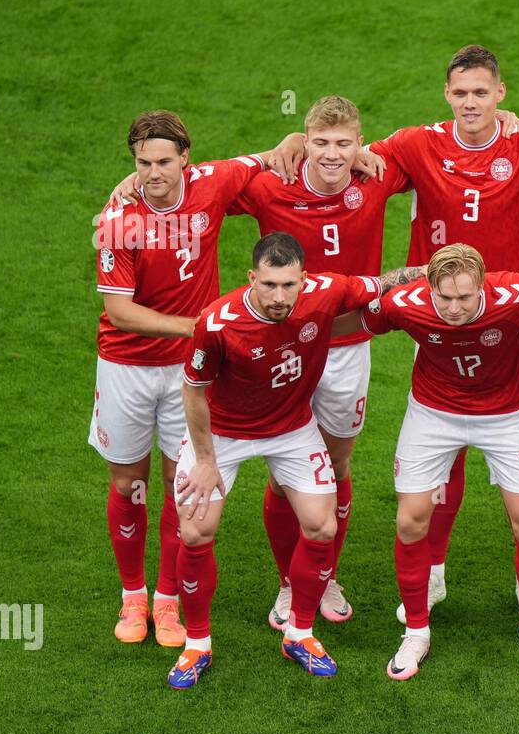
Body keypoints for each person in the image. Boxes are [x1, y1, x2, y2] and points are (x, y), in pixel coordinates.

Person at [271, 46, 519, 619]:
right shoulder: (415, 144)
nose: (470, 103)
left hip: (514, 317)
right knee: (444, 440)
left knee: (518, 439)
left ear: (500, 94)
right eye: (461, 93)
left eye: (481, 93)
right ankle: (433, 571)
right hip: (438, 313)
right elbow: (344, 155)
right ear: (446, 94)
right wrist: (292, 142)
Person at [168, 232, 418, 689]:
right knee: (195, 530)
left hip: (291, 428)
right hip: (224, 434)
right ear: (251, 278)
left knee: (322, 527)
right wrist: (205, 459)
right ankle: (196, 644)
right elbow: (194, 390)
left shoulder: (326, 291)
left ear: (304, 278)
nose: (279, 297)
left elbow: (383, 284)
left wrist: (431, 270)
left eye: (288, 285)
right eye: (269, 285)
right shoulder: (218, 323)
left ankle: (299, 633)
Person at [356, 244, 519, 681]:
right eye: (445, 298)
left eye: (465, 297)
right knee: (410, 522)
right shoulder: (408, 304)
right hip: (433, 414)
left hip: (505, 416)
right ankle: (416, 631)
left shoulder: (514, 294)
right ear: (430, 288)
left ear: (483, 286)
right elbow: (359, 316)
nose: (455, 307)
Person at [92, 110, 269, 648]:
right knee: (128, 481)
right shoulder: (117, 218)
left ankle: (167, 600)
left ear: (185, 159)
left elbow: (272, 157)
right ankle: (132, 593)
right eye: (143, 163)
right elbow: (120, 312)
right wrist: (196, 325)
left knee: (180, 482)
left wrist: (290, 138)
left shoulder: (212, 182)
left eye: (164, 161)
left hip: (188, 373)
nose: (153, 173)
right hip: (126, 364)